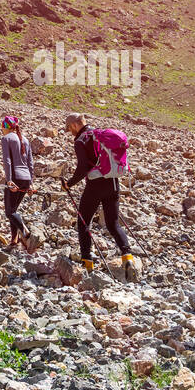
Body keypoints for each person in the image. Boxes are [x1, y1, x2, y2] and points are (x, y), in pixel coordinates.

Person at [63, 112, 137, 278]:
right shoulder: (100, 135)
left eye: (70, 129)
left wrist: (69, 183)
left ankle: (87, 262)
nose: (70, 132)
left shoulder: (81, 140)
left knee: (83, 222)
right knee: (113, 223)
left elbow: (82, 168)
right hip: (113, 183)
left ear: (75, 125)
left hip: (95, 186)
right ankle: (128, 257)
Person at [0, 115, 35, 251]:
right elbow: (30, 163)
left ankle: (23, 229)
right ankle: (14, 240)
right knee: (13, 210)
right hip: (26, 179)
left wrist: (9, 180)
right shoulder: (25, 139)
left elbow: (7, 161)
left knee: (9, 212)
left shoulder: (6, 139)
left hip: (15, 177)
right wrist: (31, 182)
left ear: (6, 127)